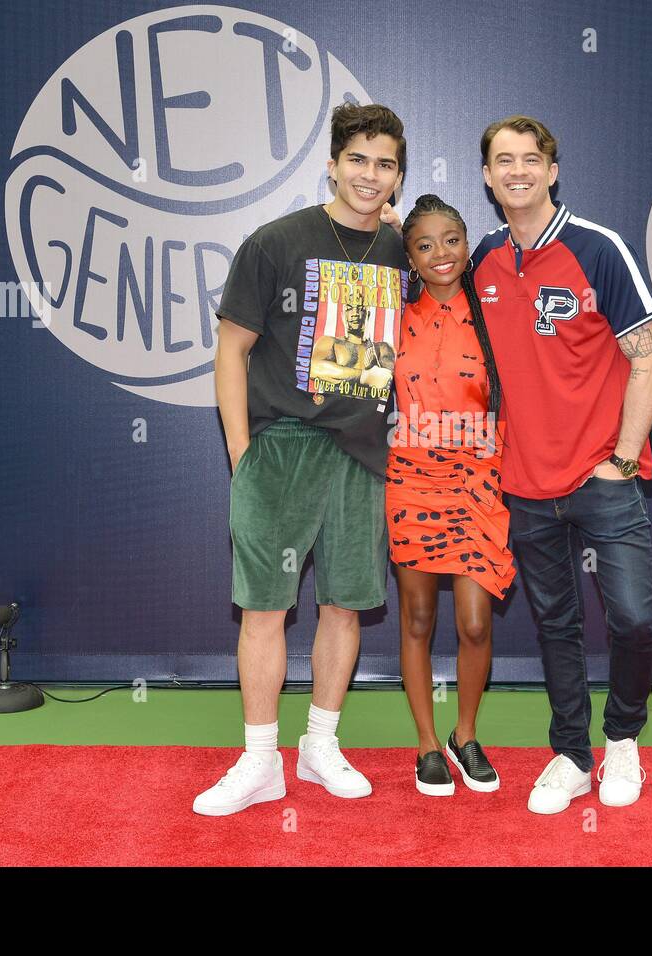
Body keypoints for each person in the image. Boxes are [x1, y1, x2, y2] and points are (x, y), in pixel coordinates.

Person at [194, 103, 409, 817]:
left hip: (362, 455)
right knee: (264, 608)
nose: (369, 176)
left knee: (344, 605)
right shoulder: (277, 242)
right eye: (358, 160)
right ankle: (259, 761)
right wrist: (241, 450)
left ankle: (319, 746)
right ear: (334, 162)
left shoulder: (402, 251)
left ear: (399, 176)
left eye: (384, 165)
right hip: (281, 446)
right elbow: (232, 348)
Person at [471, 115, 652, 815]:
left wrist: (620, 458)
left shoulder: (598, 248)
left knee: (635, 619)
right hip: (523, 480)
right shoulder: (483, 261)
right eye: (503, 160)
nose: (517, 171)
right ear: (488, 178)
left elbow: (648, 358)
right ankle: (571, 754)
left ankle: (622, 741)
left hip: (601, 477)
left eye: (531, 159)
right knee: (555, 624)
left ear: (552, 170)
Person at [389, 194, 516, 796]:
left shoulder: (495, 314)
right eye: (424, 244)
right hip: (410, 476)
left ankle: (466, 735)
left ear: (469, 245)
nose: (440, 253)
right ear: (409, 258)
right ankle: (425, 744)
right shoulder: (393, 317)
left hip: (476, 482)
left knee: (472, 623)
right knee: (417, 617)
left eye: (451, 239)